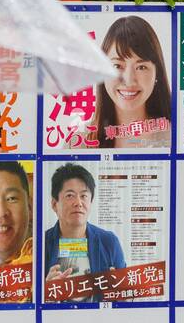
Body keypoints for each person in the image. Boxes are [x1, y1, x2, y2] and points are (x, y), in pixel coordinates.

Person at [43, 163, 126, 301]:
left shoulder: (109, 242)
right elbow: (26, 302)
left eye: (84, 196)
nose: (78, 202)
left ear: (91, 202)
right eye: (70, 195)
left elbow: (126, 297)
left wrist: (120, 293)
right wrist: (45, 293)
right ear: (54, 204)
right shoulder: (40, 244)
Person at [89, 16, 171, 149]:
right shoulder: (81, 141)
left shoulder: (176, 137)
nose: (128, 80)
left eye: (141, 67)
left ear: (158, 73)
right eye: (117, 66)